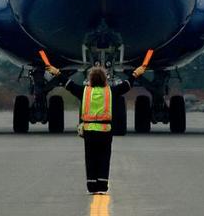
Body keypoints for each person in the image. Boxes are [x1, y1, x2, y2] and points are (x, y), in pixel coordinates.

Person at [48, 64, 140, 194]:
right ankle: (102, 186)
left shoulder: (84, 91)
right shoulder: (110, 92)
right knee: (104, 157)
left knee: (90, 158)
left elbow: (68, 84)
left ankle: (91, 185)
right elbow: (127, 85)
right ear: (104, 80)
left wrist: (57, 72)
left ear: (90, 80)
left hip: (89, 130)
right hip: (105, 130)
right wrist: (135, 74)